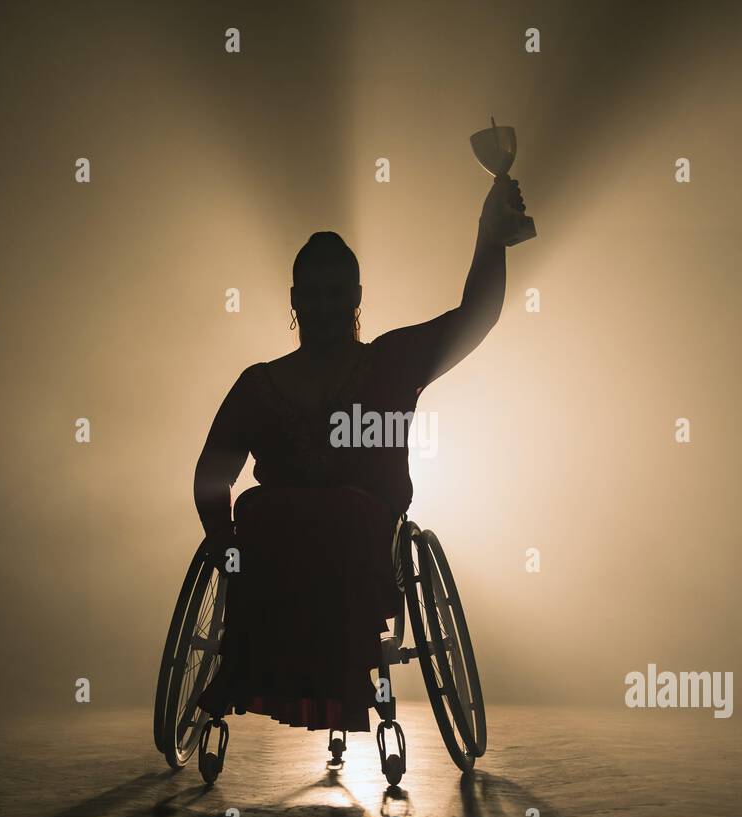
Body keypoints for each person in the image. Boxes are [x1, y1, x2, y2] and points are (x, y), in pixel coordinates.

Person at [192, 174, 524, 732]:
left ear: (356, 297)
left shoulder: (390, 362)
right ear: (295, 299)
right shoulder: (258, 385)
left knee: (334, 514)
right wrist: (225, 546)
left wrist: (490, 236)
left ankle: (316, 673)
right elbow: (211, 476)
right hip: (277, 543)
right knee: (257, 511)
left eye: (336, 294)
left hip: (360, 538)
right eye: (313, 294)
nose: (324, 307)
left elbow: (476, 315)